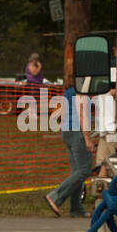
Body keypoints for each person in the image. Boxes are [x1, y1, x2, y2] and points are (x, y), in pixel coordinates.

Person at [44, 86, 95, 217]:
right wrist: (87, 138)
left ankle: (76, 208)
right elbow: (82, 114)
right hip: (77, 131)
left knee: (77, 171)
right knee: (85, 169)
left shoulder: (69, 88)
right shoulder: (80, 89)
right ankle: (55, 196)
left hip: (67, 131)